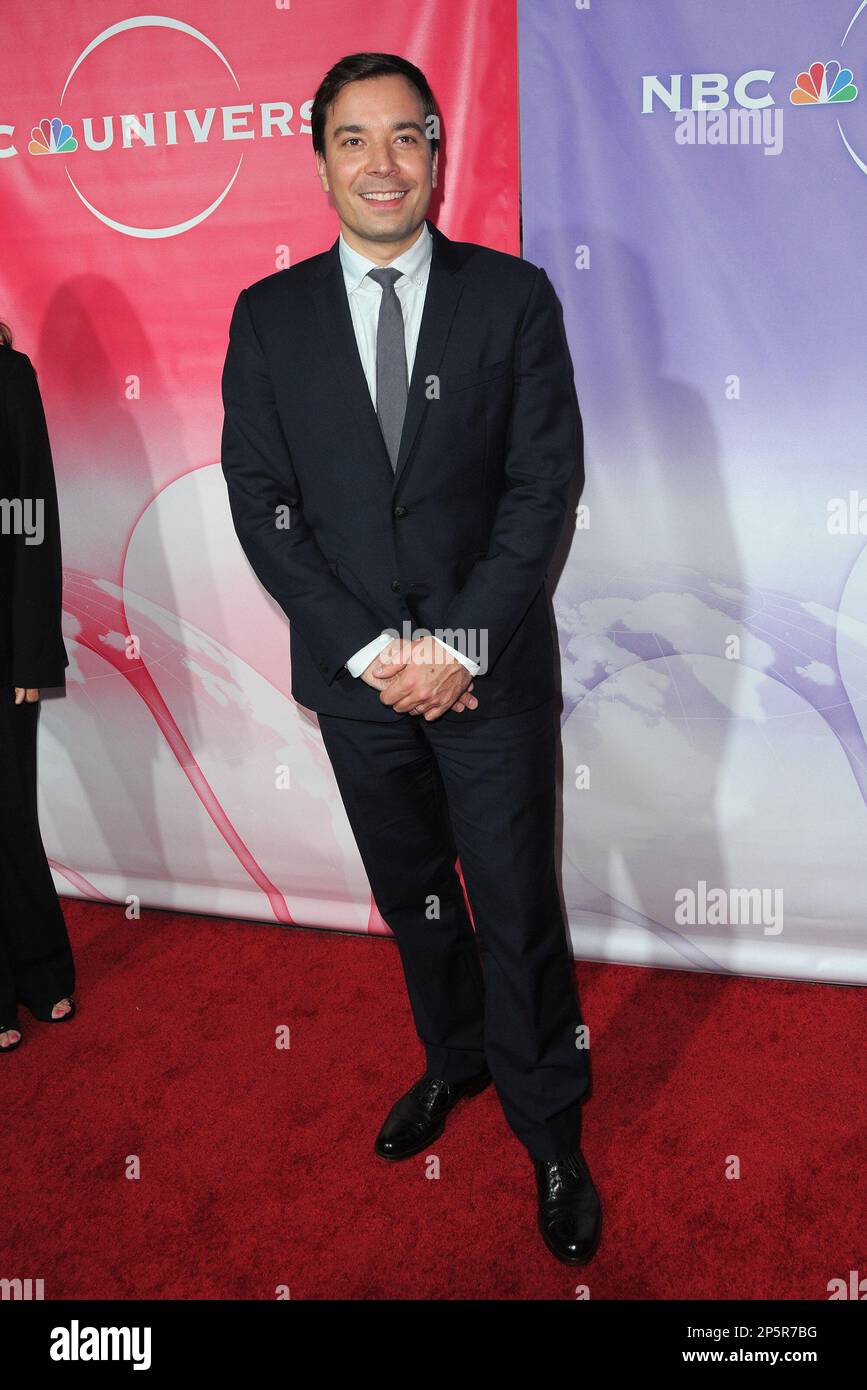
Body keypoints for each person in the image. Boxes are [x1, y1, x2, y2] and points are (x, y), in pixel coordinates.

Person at [220, 52, 601, 1264]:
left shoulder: (514, 298)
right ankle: (454, 1058)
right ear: (320, 156)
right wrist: (381, 651)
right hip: (358, 685)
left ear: (438, 152)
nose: (381, 163)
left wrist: (461, 645)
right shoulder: (268, 318)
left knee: (517, 904)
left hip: (489, 679)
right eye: (353, 139)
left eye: (405, 137)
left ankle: (550, 1129)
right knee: (418, 897)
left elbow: (543, 490)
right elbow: (263, 502)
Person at [0, 320, 75, 1053]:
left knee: (8, 813)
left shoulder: (7, 375)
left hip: (1, 644)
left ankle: (41, 968)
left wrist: (29, 653)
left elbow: (29, 518)